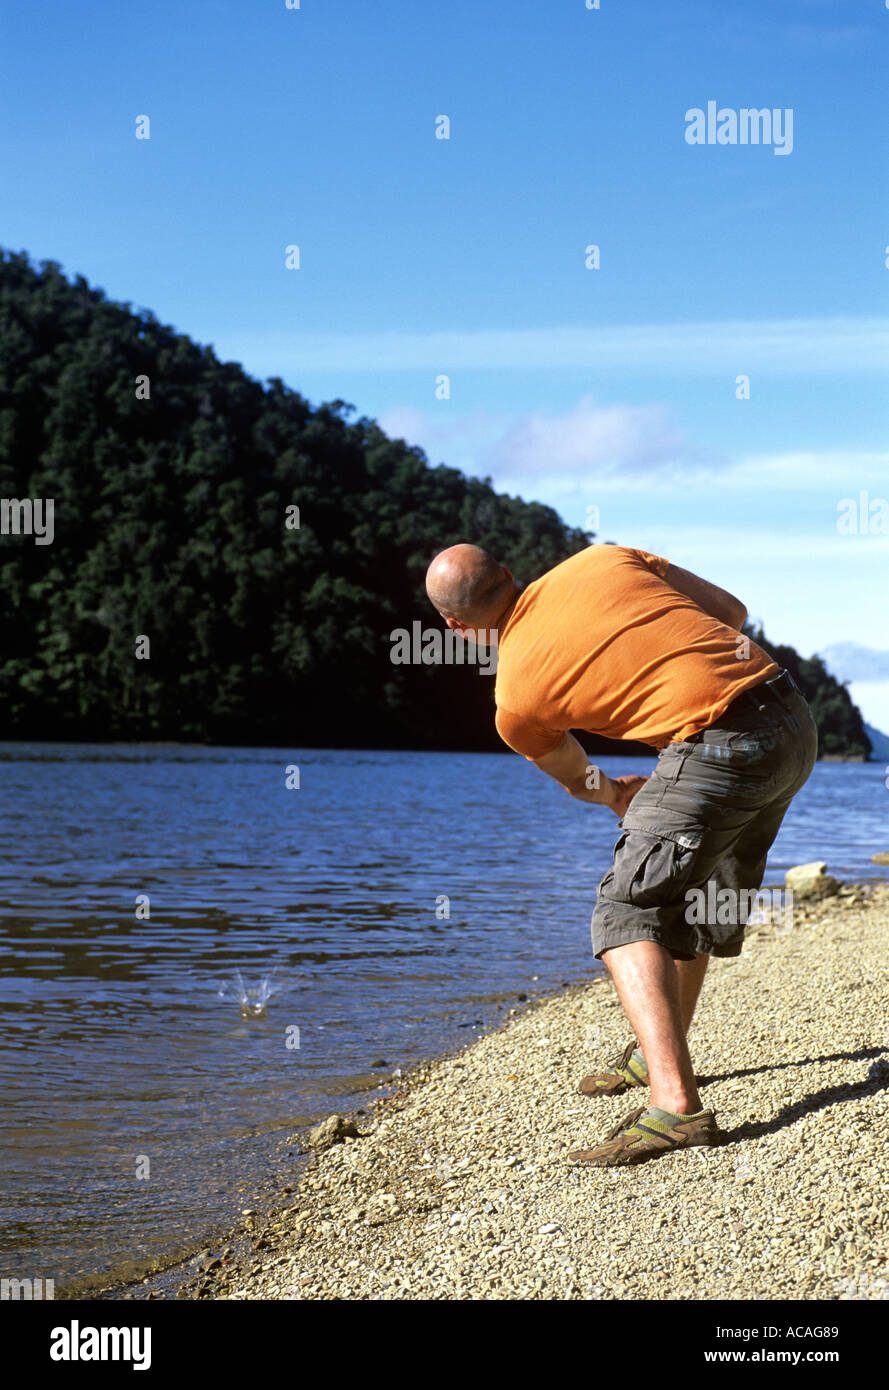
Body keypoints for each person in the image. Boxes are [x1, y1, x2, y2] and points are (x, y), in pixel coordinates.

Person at [425, 541, 818, 1166]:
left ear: (453, 626)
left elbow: (576, 774)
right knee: (698, 892)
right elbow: (731, 612)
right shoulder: (602, 559)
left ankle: (676, 1107)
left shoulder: (516, 700)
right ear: (507, 572)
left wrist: (616, 795)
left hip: (718, 745)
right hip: (791, 718)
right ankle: (656, 1053)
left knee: (625, 910)